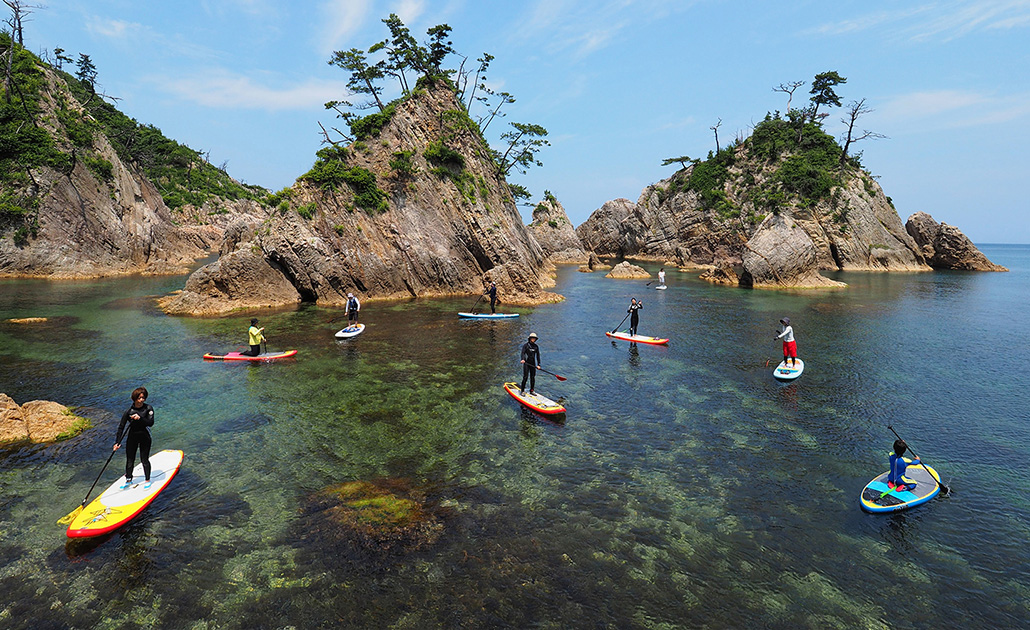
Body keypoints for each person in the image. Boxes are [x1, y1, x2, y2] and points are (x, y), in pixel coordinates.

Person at [113, 387, 155, 489]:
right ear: (134, 398)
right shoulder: (128, 411)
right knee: (130, 459)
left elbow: (150, 423)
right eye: (139, 398)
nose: (141, 400)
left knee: (144, 459)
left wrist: (140, 419)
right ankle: (128, 480)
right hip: (132, 437)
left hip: (144, 437)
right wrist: (117, 442)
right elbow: (121, 427)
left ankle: (147, 480)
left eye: (143, 398)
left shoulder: (148, 409)